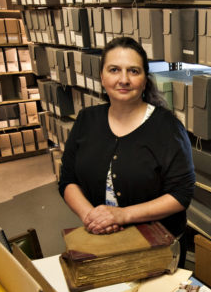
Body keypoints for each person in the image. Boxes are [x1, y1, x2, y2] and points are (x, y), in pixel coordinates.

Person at [58, 37, 195, 265]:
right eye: (114, 70)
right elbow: (68, 179)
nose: (124, 79)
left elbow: (181, 194)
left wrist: (123, 214)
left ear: (144, 79)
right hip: (100, 240)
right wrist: (92, 218)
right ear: (102, 76)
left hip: (155, 248)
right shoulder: (86, 120)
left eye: (133, 71)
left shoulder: (168, 128)